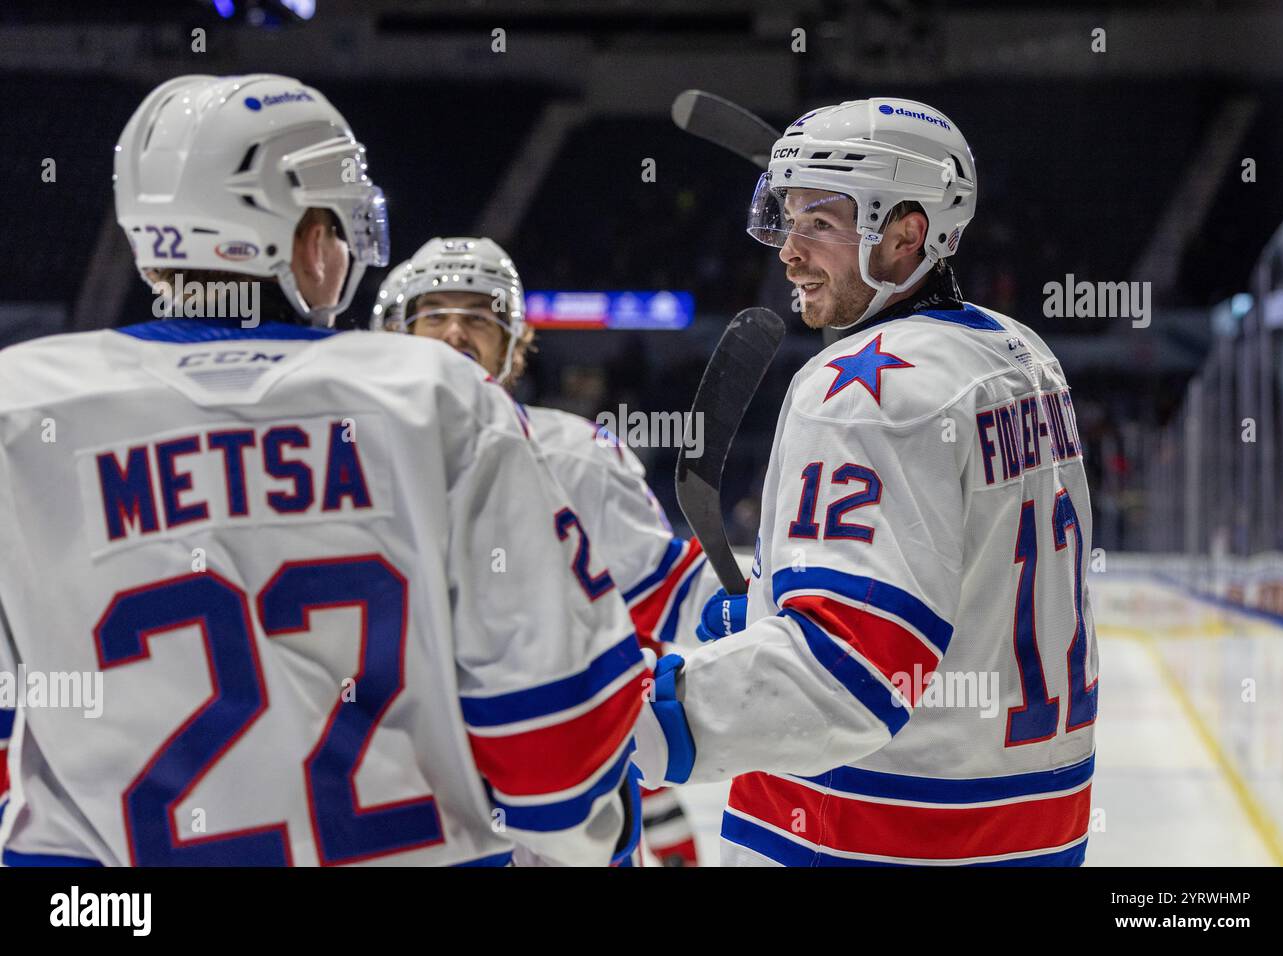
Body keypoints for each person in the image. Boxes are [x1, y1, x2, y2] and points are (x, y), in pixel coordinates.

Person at [0, 74, 646, 867]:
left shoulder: (21, 411)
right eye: (339, 229)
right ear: (308, 242)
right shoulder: (430, 398)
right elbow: (556, 741)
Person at [634, 97, 1099, 866]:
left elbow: (848, 668)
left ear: (908, 234)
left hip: (872, 835)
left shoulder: (863, 391)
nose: (787, 251)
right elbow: (959, 584)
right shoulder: (1021, 355)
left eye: (818, 223)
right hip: (1032, 828)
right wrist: (762, 615)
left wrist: (639, 717)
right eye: (785, 219)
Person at [373, 237, 712, 865]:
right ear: (397, 332)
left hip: (550, 815)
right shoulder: (346, 465)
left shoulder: (574, 455)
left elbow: (676, 603)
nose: (454, 333)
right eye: (435, 315)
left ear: (515, 345)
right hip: (405, 806)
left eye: (478, 317)